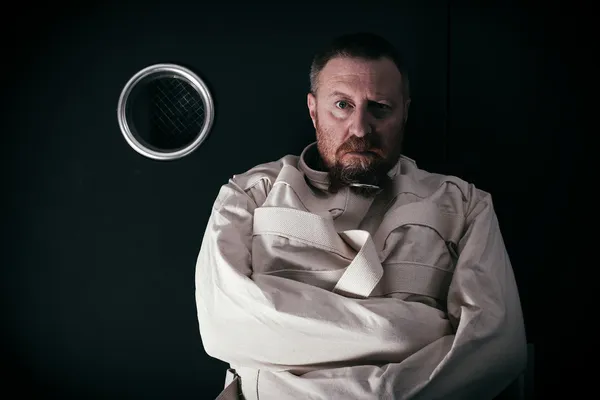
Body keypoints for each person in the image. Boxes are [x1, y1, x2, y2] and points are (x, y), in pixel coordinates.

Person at [195, 32, 527, 400]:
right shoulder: (249, 195)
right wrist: (406, 332)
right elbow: (225, 328)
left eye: (379, 107)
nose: (359, 128)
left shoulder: (465, 205)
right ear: (313, 109)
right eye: (341, 105)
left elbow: (495, 353)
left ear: (405, 111)